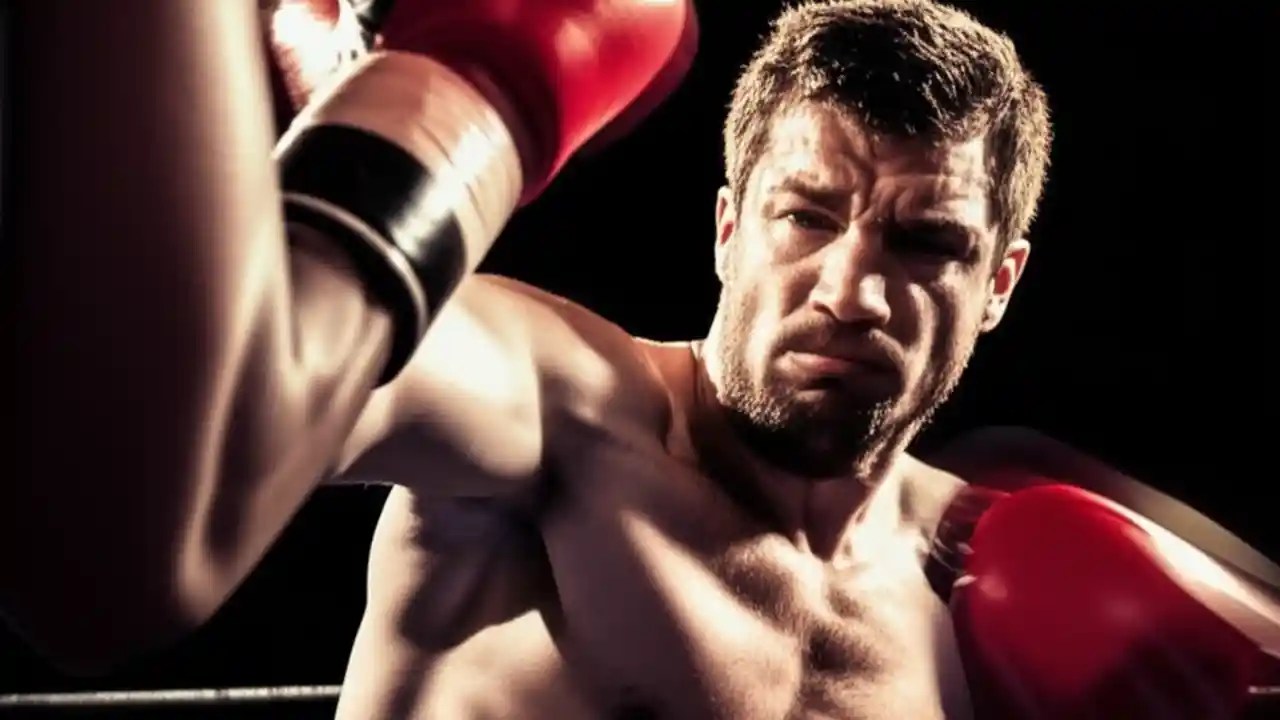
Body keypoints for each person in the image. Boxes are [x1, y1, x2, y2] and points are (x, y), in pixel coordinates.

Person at [2, 1, 1276, 718]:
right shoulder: (564, 418)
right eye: (806, 212)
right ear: (727, 227)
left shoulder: (968, 573)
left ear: (997, 282)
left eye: (923, 241)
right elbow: (168, 446)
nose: (850, 288)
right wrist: (388, 133)